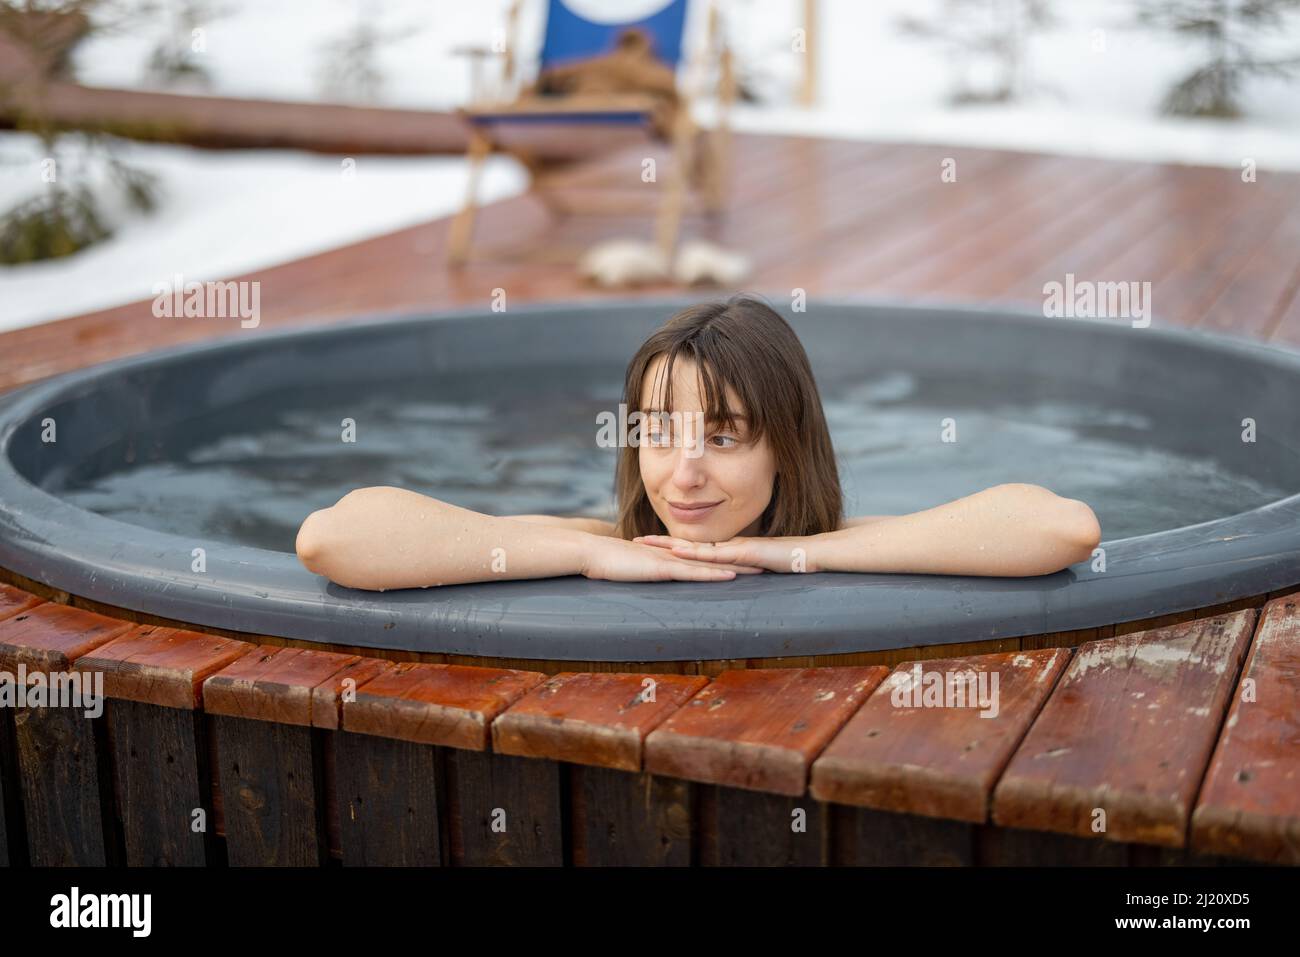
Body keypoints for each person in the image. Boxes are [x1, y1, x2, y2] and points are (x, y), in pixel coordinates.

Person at [296, 295, 1101, 591]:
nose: (684, 474)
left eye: (722, 435)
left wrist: (795, 554)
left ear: (784, 446)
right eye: (657, 434)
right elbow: (332, 537)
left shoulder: (837, 545)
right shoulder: (595, 542)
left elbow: (1061, 528)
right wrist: (592, 558)